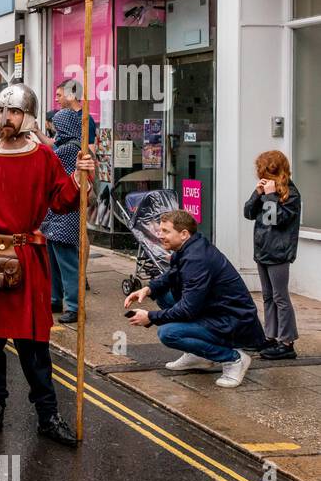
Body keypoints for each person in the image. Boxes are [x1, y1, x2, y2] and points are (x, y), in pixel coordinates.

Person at [0, 83, 97, 447]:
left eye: (12, 112)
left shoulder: (43, 157)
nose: (5, 118)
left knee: (33, 342)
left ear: (26, 117)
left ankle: (47, 414)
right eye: (0, 111)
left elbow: (64, 201)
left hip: (27, 256)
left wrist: (80, 176)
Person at [124, 211, 266, 388]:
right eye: (160, 231)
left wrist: (151, 317)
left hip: (232, 322)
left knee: (168, 333)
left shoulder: (197, 259)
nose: (160, 236)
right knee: (161, 293)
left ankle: (234, 359)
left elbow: (188, 309)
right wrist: (148, 288)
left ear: (184, 234)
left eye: (166, 231)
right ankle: (197, 354)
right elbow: (172, 275)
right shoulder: (189, 247)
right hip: (214, 311)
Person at [36, 81, 97, 324]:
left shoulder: (70, 150)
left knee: (67, 261)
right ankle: (55, 298)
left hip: (66, 213)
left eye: (58, 126)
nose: (56, 130)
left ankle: (73, 305)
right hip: (55, 212)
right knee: (53, 257)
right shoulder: (64, 145)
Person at [244, 150, 301, 360]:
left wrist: (270, 196)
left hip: (279, 253)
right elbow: (248, 213)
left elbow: (276, 219)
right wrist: (257, 194)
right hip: (262, 251)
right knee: (268, 297)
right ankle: (271, 336)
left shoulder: (291, 194)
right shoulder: (267, 192)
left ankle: (287, 342)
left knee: (280, 297)